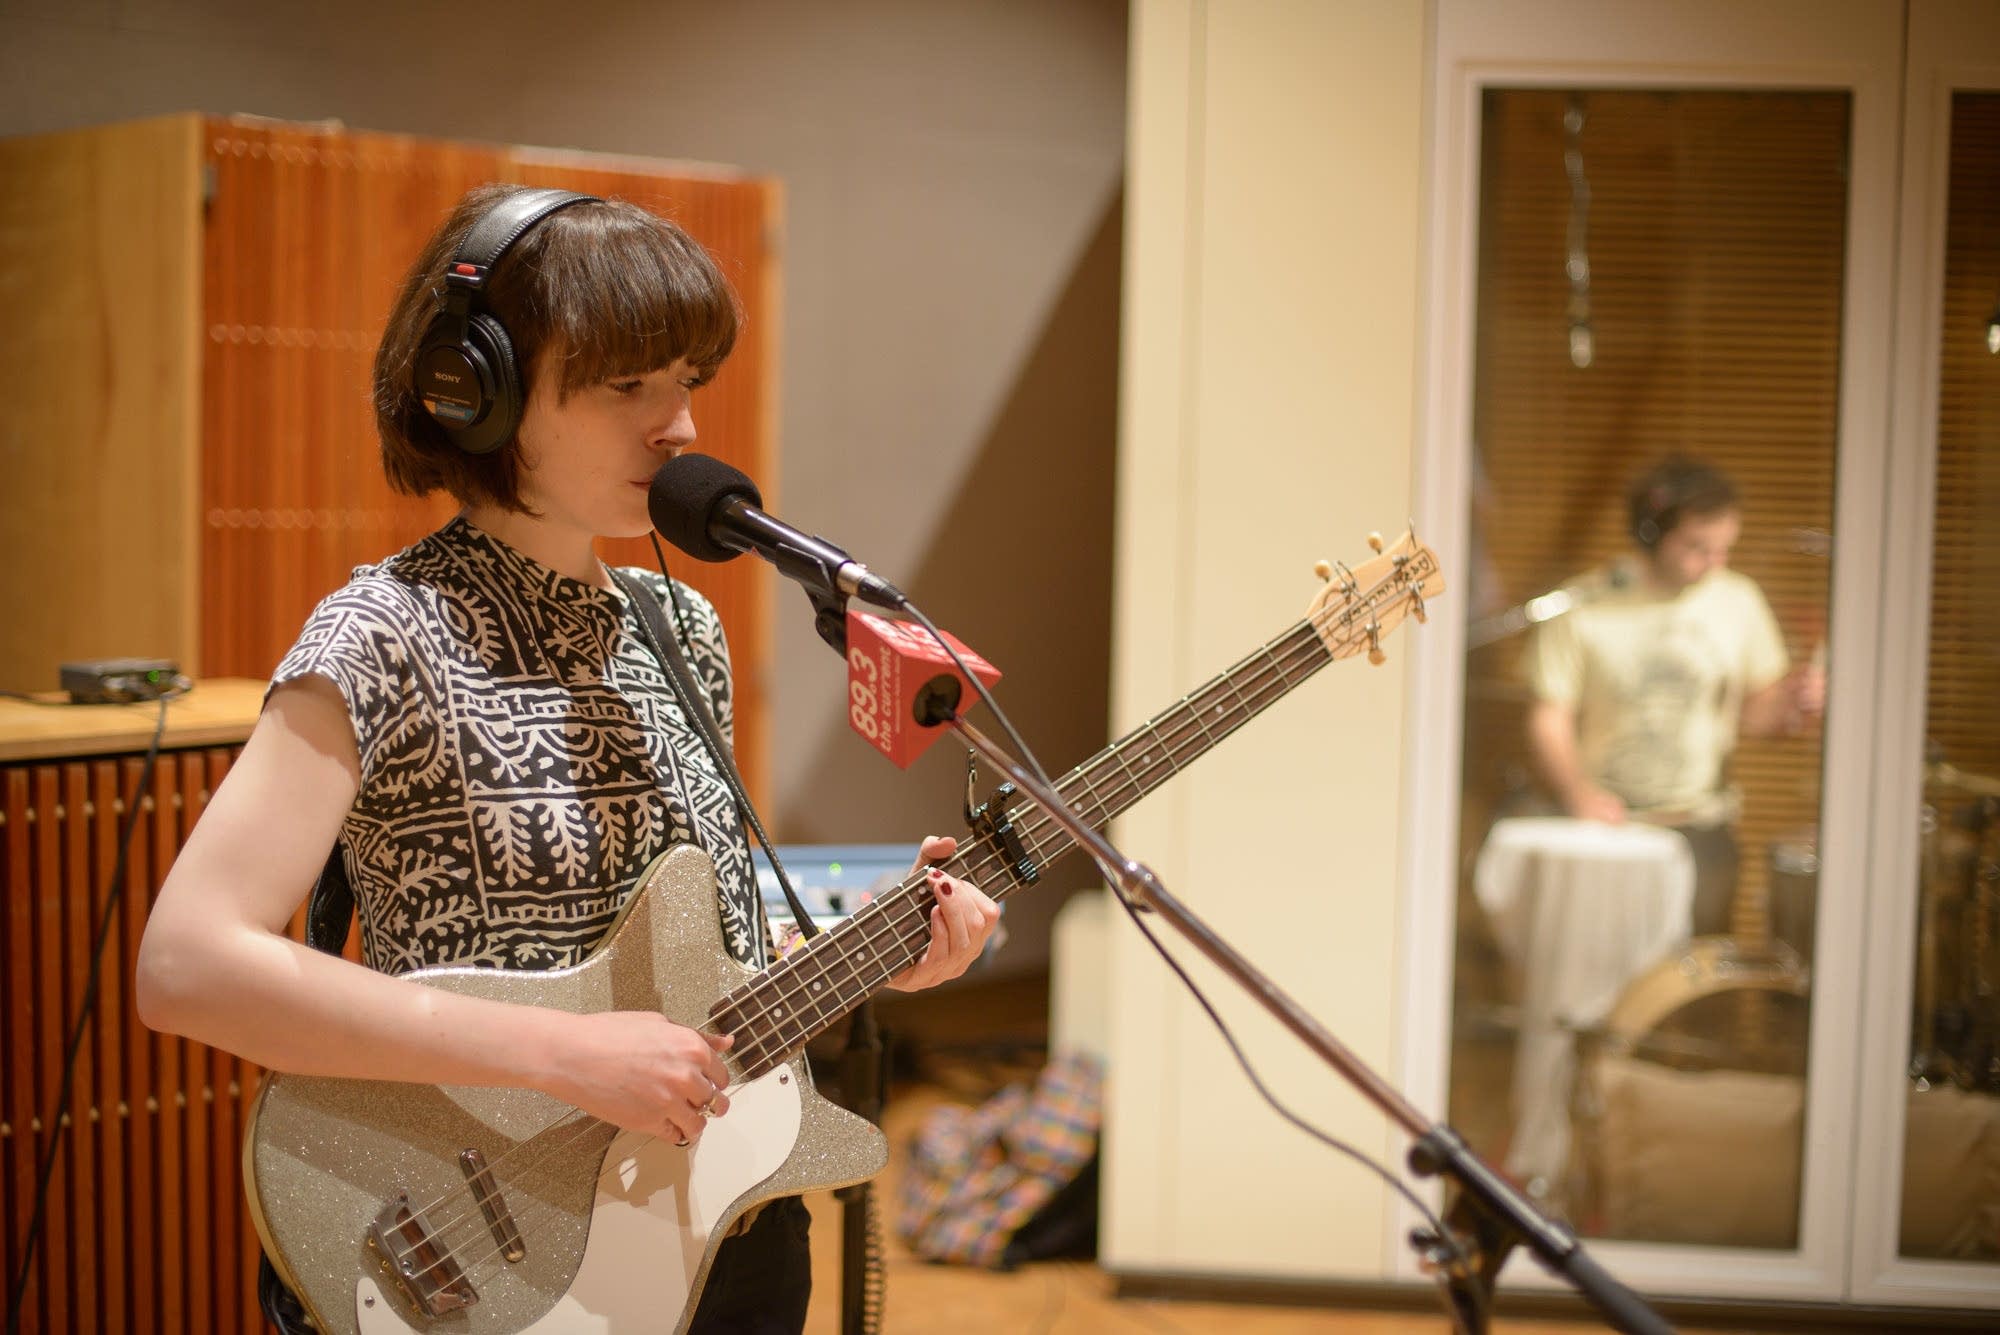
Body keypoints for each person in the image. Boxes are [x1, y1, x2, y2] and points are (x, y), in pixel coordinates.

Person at [133, 184, 1001, 1334]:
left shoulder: (676, 625)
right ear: (474, 395)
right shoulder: (386, 634)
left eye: (686, 383)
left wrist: (882, 952)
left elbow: (706, 949)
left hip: (725, 1228)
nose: (680, 428)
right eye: (624, 386)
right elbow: (187, 965)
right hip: (500, 1256)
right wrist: (559, 1052)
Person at [1520, 457, 1824, 937]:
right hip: (1609, 830)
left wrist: (1792, 702)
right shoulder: (1589, 603)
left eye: (1725, 549)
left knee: (1691, 989)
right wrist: (1577, 790)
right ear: (1650, 533)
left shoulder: (1738, 600)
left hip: (1700, 831)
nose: (1713, 563)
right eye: (1697, 548)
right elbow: (1548, 716)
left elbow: (1756, 715)